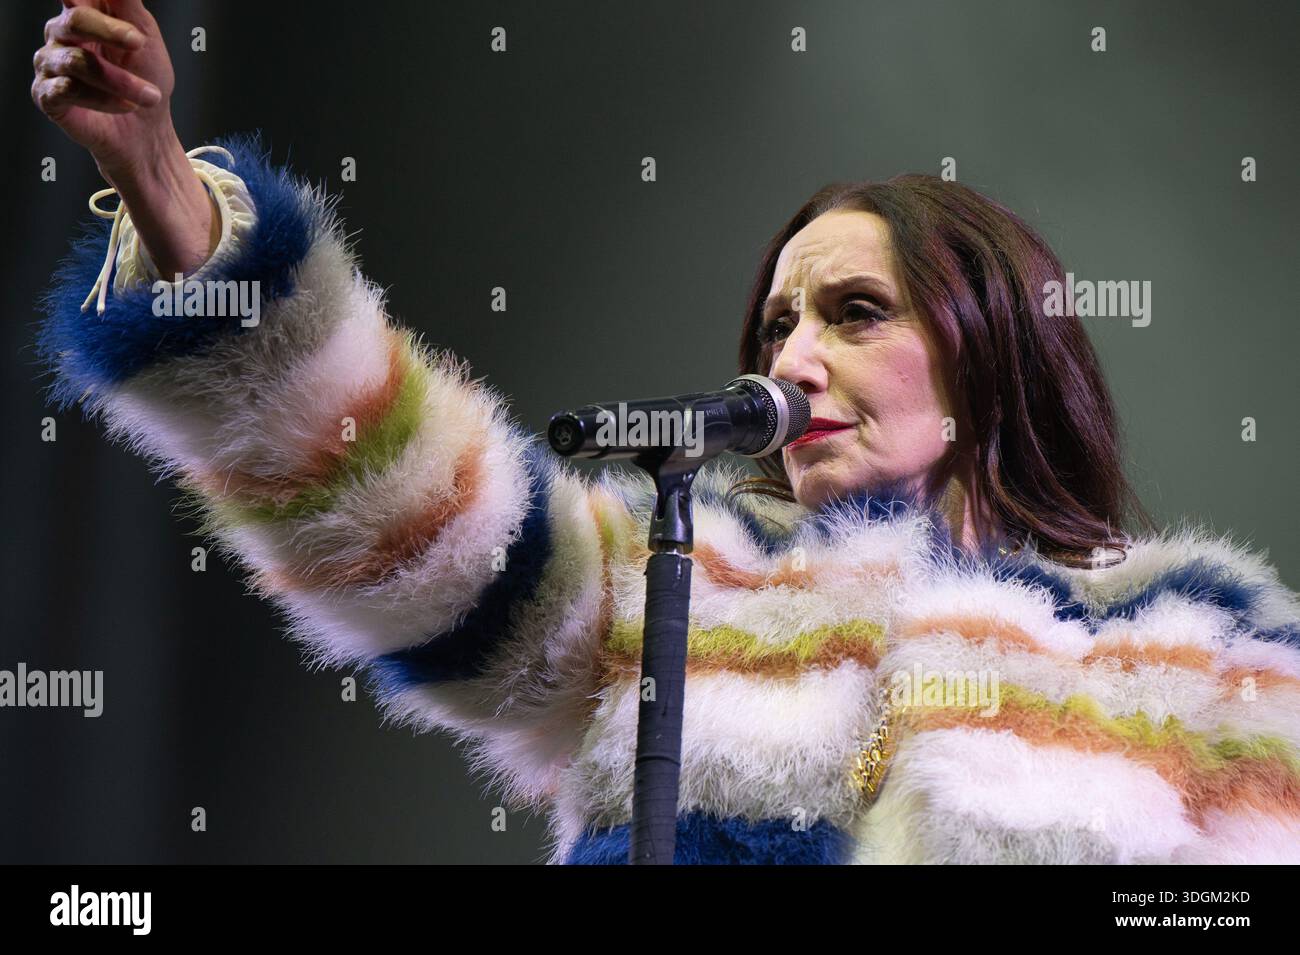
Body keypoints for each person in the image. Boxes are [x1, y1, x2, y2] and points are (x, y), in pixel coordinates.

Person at [32, 0, 1300, 864]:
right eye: (775, 325)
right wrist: (164, 185)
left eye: (855, 313)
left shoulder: (1204, 654)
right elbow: (380, 482)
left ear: (991, 348)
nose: (793, 358)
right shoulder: (671, 583)